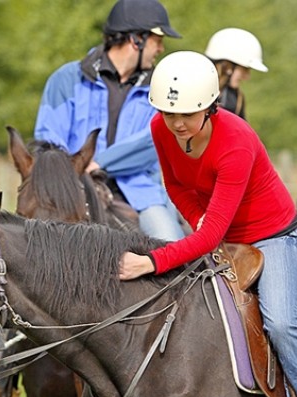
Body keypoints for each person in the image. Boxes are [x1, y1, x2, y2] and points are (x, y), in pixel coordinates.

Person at [118, 51, 297, 397]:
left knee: (281, 324)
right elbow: (176, 186)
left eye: (187, 114)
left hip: (270, 235)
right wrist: (198, 218)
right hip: (219, 233)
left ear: (209, 107)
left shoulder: (235, 141)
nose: (177, 123)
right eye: (169, 113)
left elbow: (208, 238)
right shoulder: (160, 128)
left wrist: (151, 261)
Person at [33, 0, 186, 241]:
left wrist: (99, 163)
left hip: (140, 195)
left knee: (171, 242)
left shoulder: (162, 88)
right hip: (72, 190)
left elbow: (156, 138)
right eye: (157, 40)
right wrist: (74, 170)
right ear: (136, 39)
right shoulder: (66, 79)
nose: (161, 48)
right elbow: (48, 139)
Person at [204, 27, 268, 119]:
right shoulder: (191, 88)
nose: (247, 77)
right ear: (227, 66)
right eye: (245, 69)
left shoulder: (235, 100)